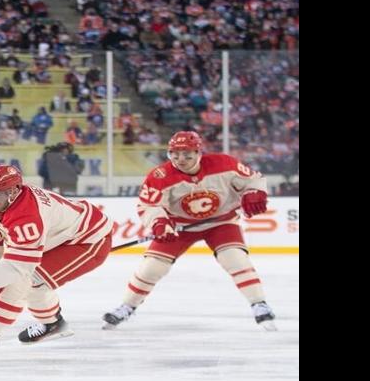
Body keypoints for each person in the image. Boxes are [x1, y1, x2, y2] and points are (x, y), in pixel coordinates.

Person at [103, 131, 276, 330]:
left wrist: (254, 191)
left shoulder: (224, 163)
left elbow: (253, 180)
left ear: (198, 152)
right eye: (175, 154)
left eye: (187, 154)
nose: (180, 159)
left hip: (221, 222)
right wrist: (160, 223)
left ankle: (259, 304)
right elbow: (149, 205)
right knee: (152, 267)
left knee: (235, 259)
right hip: (178, 226)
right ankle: (127, 306)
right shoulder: (160, 176)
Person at [0, 164, 113, 360]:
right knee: (33, 285)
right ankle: (53, 324)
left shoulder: (27, 214)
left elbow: (19, 265)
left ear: (14, 191)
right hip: (56, 237)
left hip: (87, 240)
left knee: (24, 283)